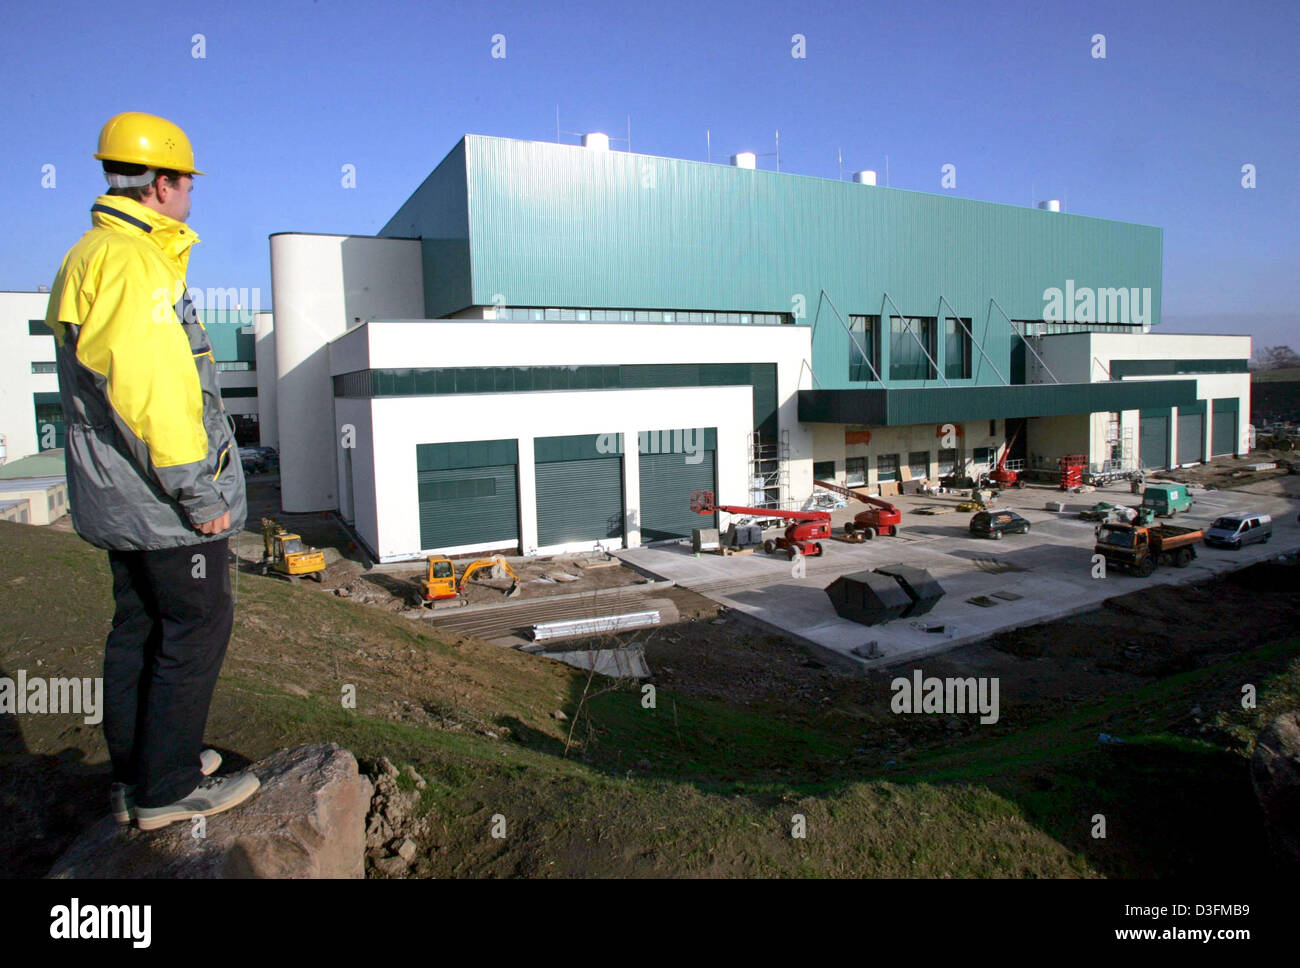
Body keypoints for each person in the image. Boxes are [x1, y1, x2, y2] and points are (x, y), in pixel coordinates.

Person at [45, 112, 259, 831]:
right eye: (188, 183)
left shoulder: (91, 254)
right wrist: (197, 492)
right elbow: (153, 395)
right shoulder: (136, 267)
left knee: (137, 625)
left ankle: (138, 769)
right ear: (163, 184)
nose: (192, 196)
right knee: (197, 623)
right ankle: (165, 786)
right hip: (160, 502)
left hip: (117, 496)